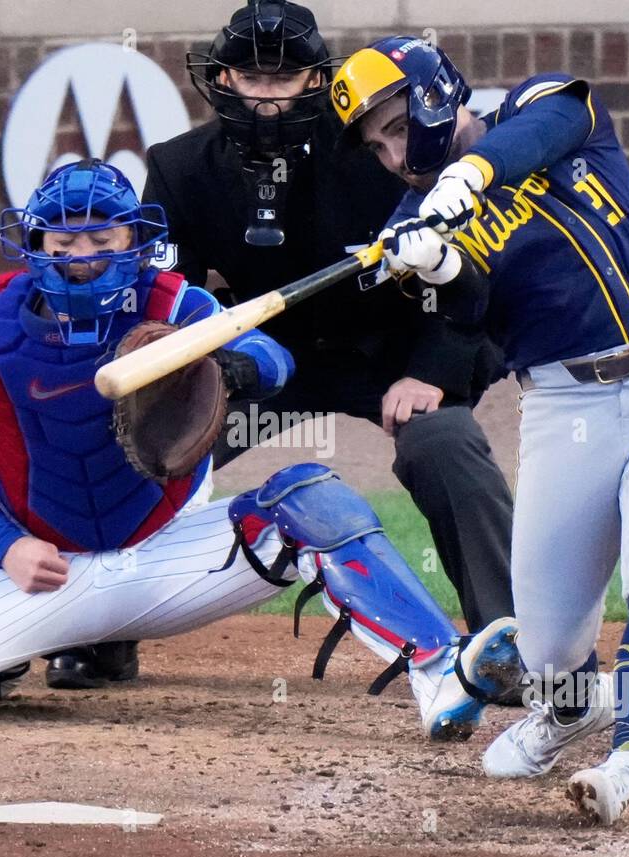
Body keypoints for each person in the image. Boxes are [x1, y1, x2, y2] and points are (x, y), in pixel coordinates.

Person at [0, 159, 519, 740]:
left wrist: (235, 370)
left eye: (101, 240)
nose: (82, 257)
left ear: (133, 239)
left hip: (174, 555)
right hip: (41, 568)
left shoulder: (174, 302)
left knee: (310, 499)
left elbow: (271, 357)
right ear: (34, 245)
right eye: (64, 242)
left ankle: (442, 671)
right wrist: (3, 546)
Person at [42, 1, 517, 695]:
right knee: (138, 445)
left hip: (385, 350)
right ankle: (101, 631)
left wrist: (430, 372)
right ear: (222, 79)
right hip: (257, 357)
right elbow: (162, 298)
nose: (266, 96)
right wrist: (200, 371)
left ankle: (504, 643)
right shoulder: (180, 167)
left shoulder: (381, 153)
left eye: (284, 77)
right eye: (250, 76)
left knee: (444, 445)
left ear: (314, 82)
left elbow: (469, 274)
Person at [332, 37, 629, 823]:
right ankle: (570, 706)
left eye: (391, 125)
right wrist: (441, 268)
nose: (387, 151)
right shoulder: (415, 223)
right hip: (565, 409)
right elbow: (473, 318)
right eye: (372, 144)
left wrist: (466, 180)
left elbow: (548, 127)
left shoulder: (541, 106)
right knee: (549, 647)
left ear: (433, 95)